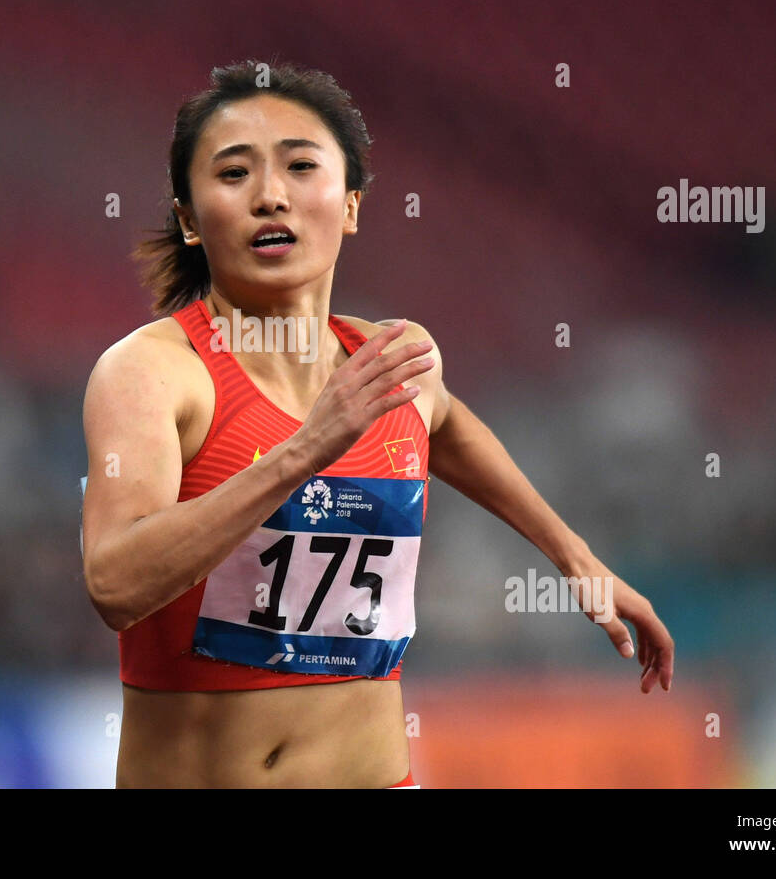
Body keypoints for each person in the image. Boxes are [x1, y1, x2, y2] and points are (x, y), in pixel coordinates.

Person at [80, 60, 674, 788]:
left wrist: (575, 556)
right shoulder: (149, 374)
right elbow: (114, 585)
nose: (271, 196)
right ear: (189, 220)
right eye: (233, 175)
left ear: (352, 204)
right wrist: (303, 451)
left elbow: (448, 425)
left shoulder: (396, 361)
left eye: (301, 166)